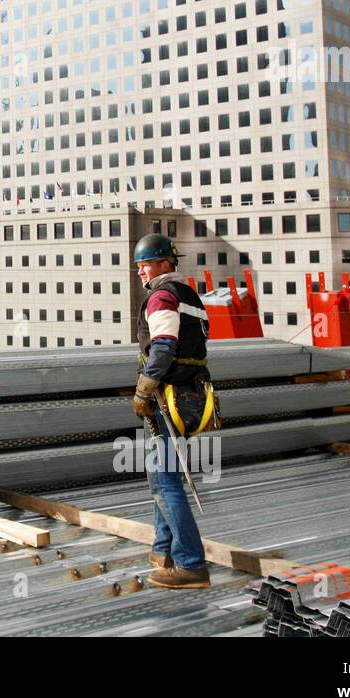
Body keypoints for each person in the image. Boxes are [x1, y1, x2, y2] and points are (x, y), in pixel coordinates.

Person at [131, 232, 212, 590]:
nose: (141, 272)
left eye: (145, 264)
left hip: (168, 397)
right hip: (191, 395)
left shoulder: (162, 296)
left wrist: (143, 390)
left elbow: (163, 347)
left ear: (165, 263)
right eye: (138, 266)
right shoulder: (190, 295)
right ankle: (163, 549)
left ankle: (190, 564)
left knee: (165, 481)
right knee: (163, 475)